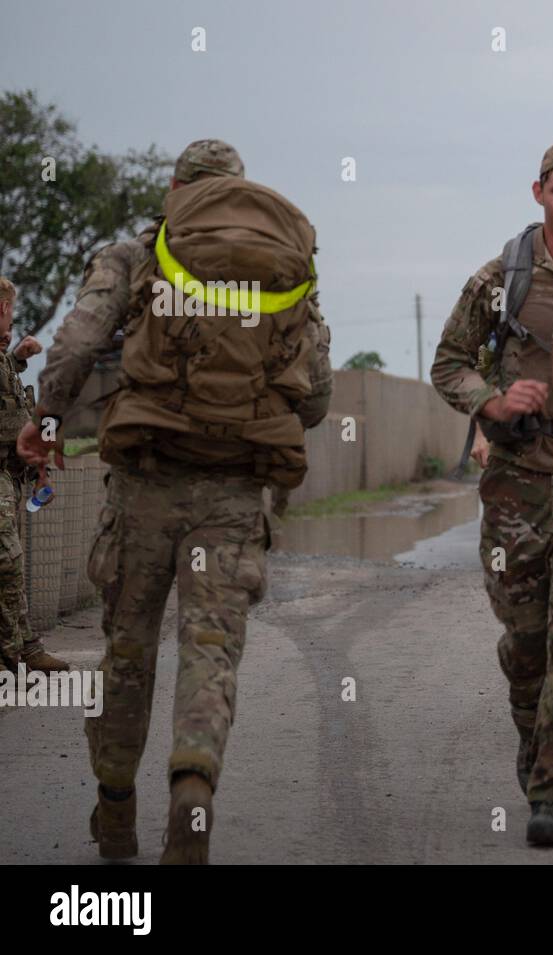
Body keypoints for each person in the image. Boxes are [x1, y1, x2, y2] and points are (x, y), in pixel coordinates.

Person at [18, 139, 333, 863]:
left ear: (175, 189)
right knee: (209, 649)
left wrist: (47, 423)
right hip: (232, 492)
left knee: (127, 651)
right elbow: (315, 397)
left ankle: (117, 808)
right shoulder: (282, 262)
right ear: (238, 194)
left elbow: (73, 346)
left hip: (144, 486)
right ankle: (192, 789)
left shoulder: (134, 255)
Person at [432, 140, 553, 847]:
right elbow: (449, 363)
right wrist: (494, 400)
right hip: (515, 482)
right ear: (538, 192)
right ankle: (534, 735)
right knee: (529, 639)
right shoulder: (501, 277)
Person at [0, 275, 69, 674]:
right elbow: (15, 421)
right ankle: (16, 655)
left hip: (10, 475)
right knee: (8, 560)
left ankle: (25, 649)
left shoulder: (5, 360)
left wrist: (19, 358)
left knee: (12, 563)